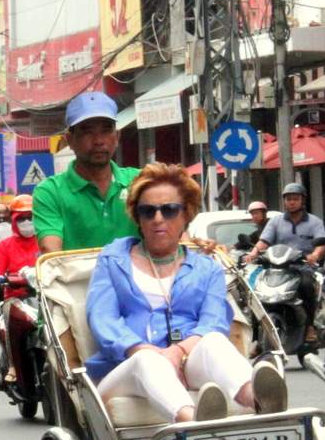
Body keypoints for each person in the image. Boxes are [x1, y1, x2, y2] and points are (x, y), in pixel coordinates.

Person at [85, 165, 286, 425]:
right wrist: (145, 349)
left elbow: (213, 321)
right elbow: (103, 320)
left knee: (214, 341)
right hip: (127, 369)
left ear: (185, 216)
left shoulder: (207, 268)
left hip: (189, 361)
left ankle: (260, 401)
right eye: (148, 211)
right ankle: (192, 421)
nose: (158, 218)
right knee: (149, 360)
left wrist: (177, 352)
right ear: (138, 218)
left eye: (169, 210)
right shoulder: (113, 260)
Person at [33, 92, 140, 253]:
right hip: (77, 279)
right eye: (87, 132)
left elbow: (173, 232)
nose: (98, 141)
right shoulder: (50, 192)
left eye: (106, 131)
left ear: (117, 136)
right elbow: (51, 251)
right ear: (70, 139)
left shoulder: (139, 182)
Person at [247, 182, 325, 342]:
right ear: (284, 201)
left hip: (302, 267)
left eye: (295, 199)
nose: (291, 202)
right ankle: (256, 339)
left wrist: (315, 255)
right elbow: (264, 241)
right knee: (256, 294)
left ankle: (310, 327)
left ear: (302, 200)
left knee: (306, 287)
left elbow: (321, 244)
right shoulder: (275, 221)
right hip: (277, 268)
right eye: (288, 199)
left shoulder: (314, 222)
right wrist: (254, 253)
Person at [0, 196, 40, 382]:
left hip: (44, 295)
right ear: (14, 220)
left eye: (30, 217)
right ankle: (13, 366)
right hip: (15, 297)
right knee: (11, 324)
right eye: (21, 218)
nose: (27, 222)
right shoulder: (5, 245)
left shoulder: (45, 240)